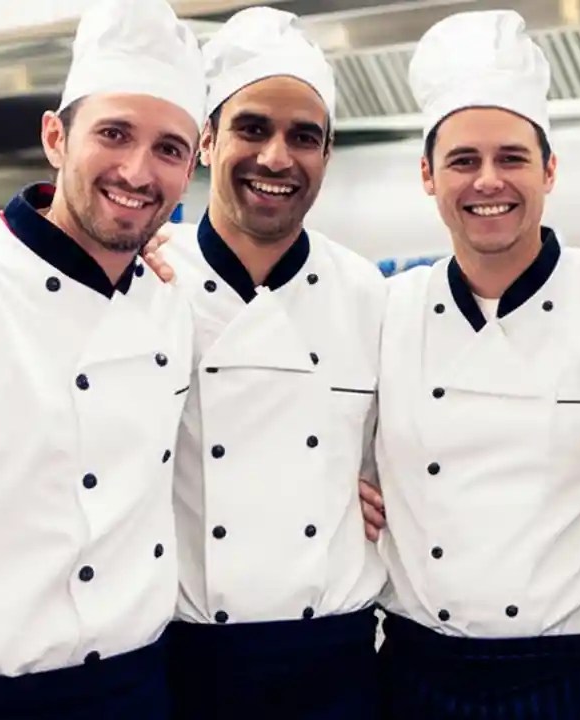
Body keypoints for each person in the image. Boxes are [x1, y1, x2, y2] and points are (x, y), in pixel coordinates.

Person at [0, 0, 206, 718]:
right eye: (114, 133)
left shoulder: (167, 302)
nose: (137, 169)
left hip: (141, 690)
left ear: (192, 166)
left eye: (168, 148)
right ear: (55, 137)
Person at [369, 10, 580, 719]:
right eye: (462, 161)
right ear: (427, 175)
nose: (488, 182)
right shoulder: (384, 310)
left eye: (511, 157)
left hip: (579, 673)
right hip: (417, 672)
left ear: (549, 169)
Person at [149, 9, 388, 720]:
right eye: (252, 128)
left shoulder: (370, 294)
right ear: (206, 141)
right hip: (187, 662)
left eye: (303, 137)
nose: (278, 158)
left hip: (338, 666)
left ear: (327, 153)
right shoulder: (145, 276)